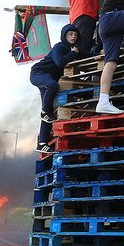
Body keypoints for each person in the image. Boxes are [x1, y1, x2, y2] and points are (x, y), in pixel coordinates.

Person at [30, 24, 80, 153]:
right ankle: (44, 112)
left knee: (49, 111)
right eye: (70, 34)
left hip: (48, 79)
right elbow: (60, 62)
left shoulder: (72, 50)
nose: (73, 36)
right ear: (64, 35)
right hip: (38, 73)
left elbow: (86, 55)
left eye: (75, 34)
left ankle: (41, 143)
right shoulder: (59, 47)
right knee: (52, 87)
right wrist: (73, 53)